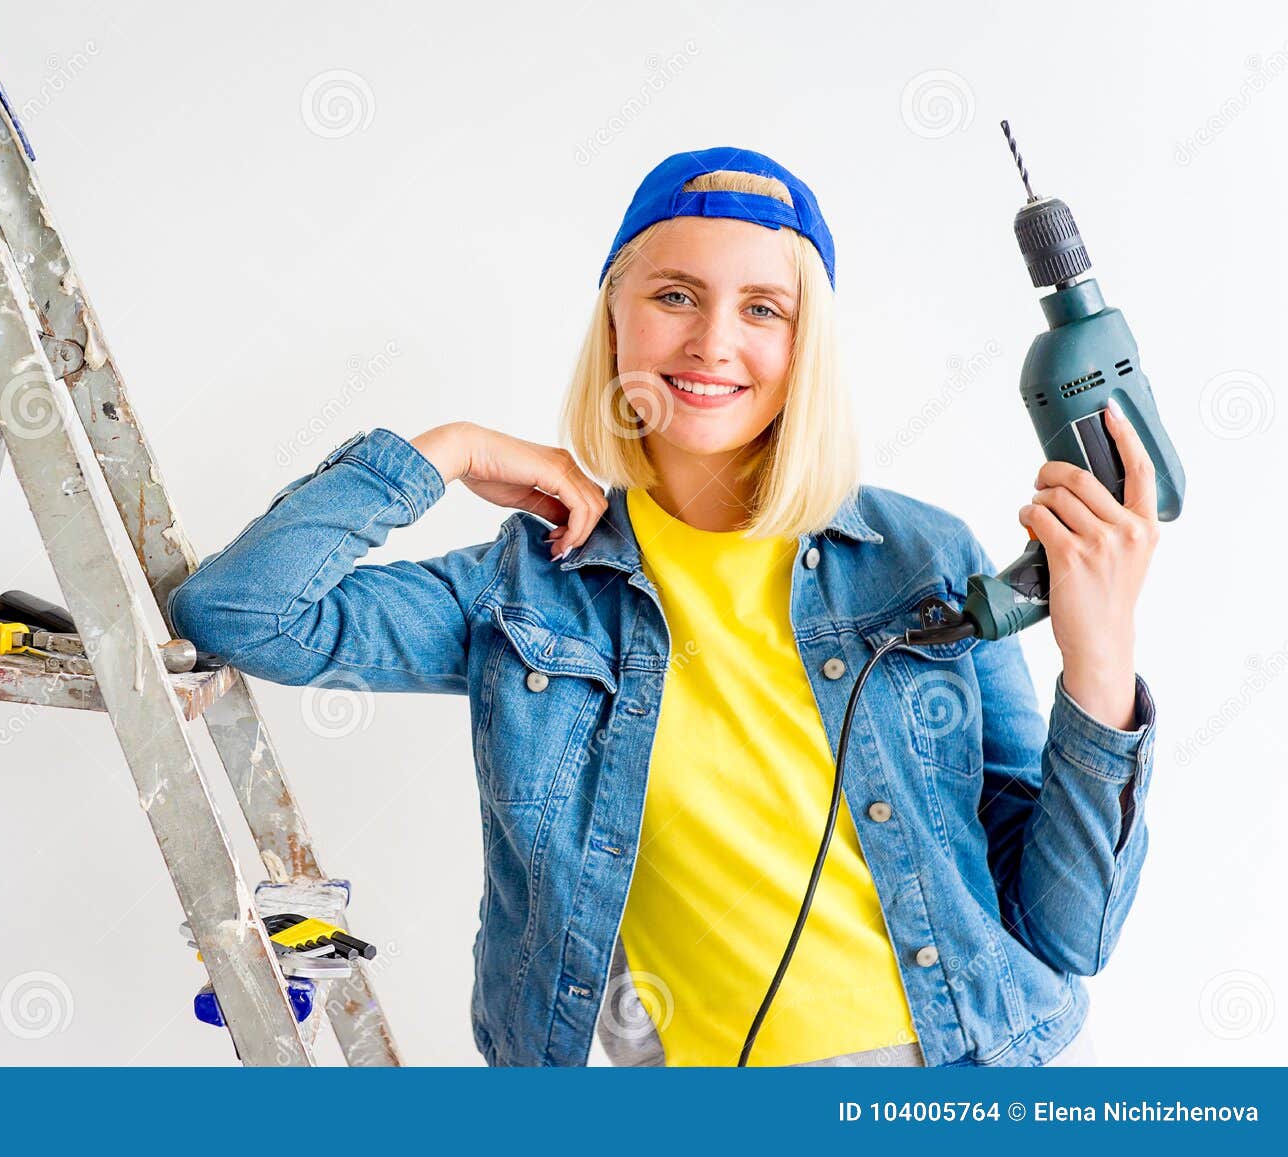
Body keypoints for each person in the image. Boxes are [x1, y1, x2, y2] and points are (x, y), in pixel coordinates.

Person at [167, 147, 1160, 1067]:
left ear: (806, 344)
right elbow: (242, 612)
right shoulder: (529, 588)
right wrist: (450, 449)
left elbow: (1071, 931)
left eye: (764, 309)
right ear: (613, 319)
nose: (713, 341)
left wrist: (1100, 663)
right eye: (674, 294)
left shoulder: (919, 557)